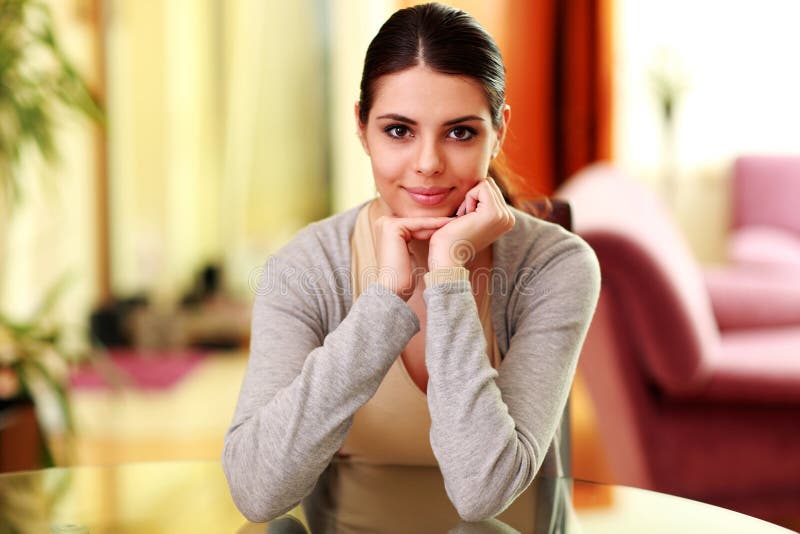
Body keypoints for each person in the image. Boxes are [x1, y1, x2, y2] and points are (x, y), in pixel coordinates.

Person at [222, 2, 600, 524]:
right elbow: (256, 491)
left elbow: (481, 493)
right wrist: (383, 301)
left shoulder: (555, 265)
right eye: (399, 130)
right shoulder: (303, 267)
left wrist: (448, 273)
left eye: (460, 132)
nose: (427, 163)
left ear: (499, 130)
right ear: (361, 127)